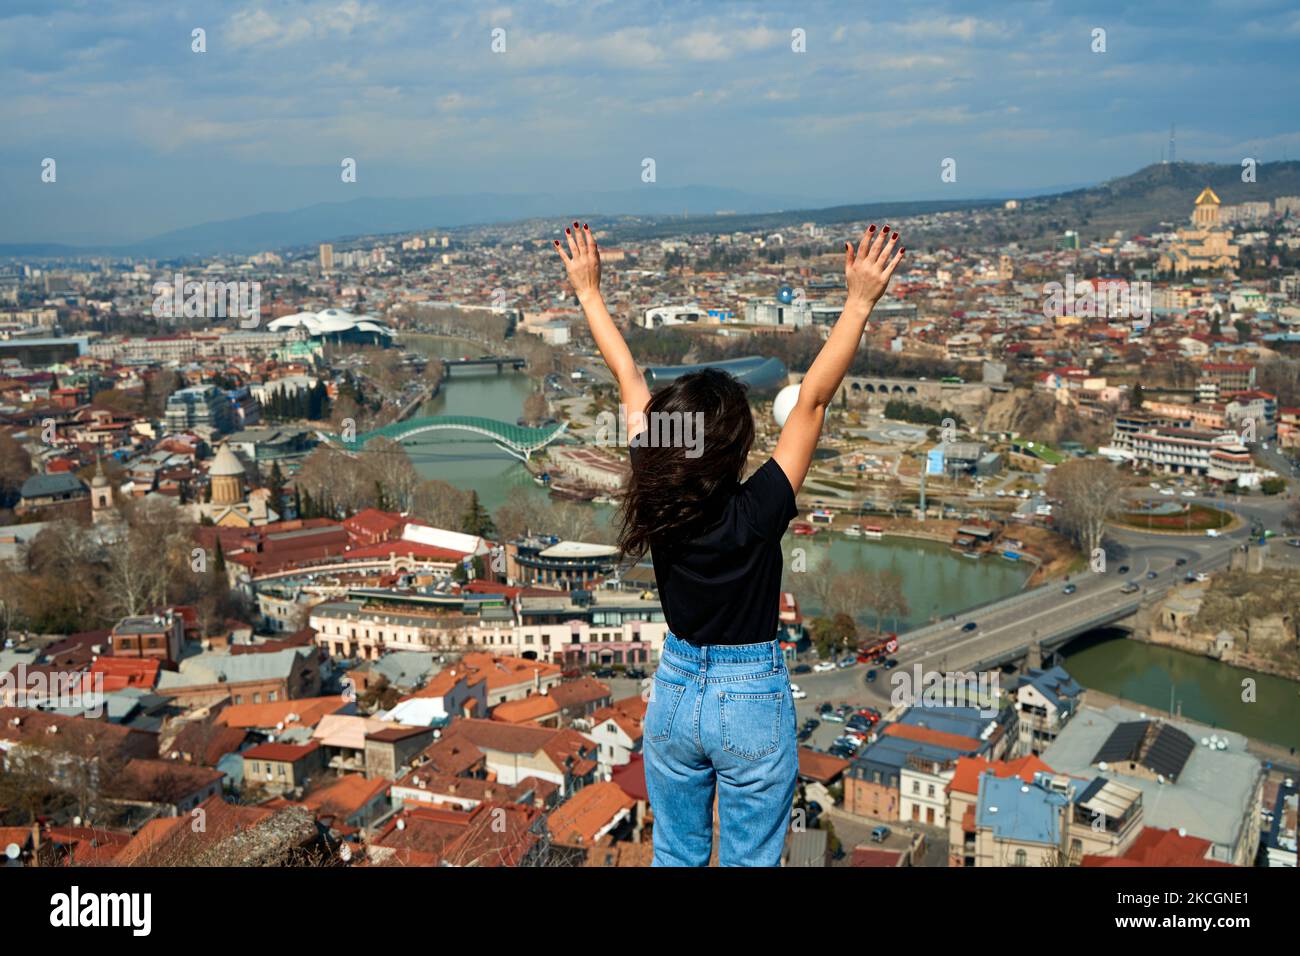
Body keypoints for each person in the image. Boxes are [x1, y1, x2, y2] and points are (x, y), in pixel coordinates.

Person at [554, 220, 904, 866]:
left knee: (677, 856)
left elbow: (628, 376)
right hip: (749, 698)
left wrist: (587, 291)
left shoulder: (658, 497)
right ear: (737, 449)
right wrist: (859, 301)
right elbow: (813, 403)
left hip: (677, 690)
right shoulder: (758, 509)